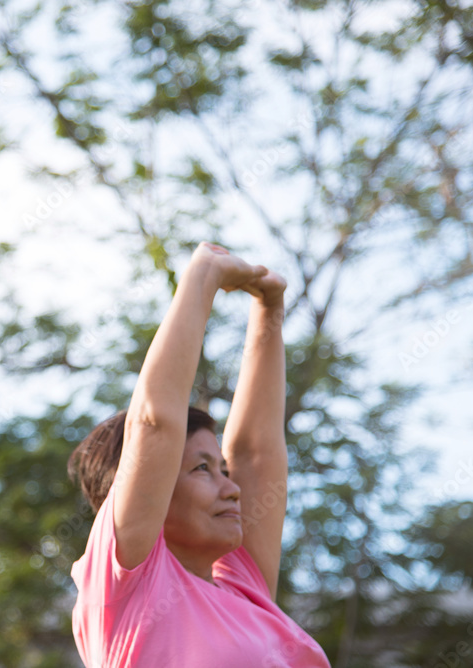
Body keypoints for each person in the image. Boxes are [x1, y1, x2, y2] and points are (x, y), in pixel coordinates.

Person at [68, 242, 331, 667]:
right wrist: (203, 276)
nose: (232, 489)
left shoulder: (243, 588)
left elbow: (256, 453)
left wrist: (269, 308)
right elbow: (154, 425)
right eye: (202, 469)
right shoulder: (128, 589)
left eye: (221, 469)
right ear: (144, 486)